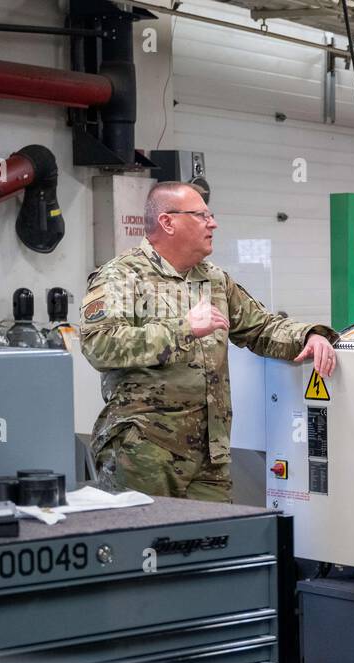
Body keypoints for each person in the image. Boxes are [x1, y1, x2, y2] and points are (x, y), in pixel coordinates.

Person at [81, 182, 338, 501]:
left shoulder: (214, 279)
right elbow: (99, 344)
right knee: (146, 544)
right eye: (202, 215)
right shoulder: (121, 276)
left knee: (215, 542)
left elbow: (261, 327)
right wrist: (183, 329)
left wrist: (309, 336)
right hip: (143, 451)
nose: (212, 223)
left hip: (210, 453)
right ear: (167, 222)